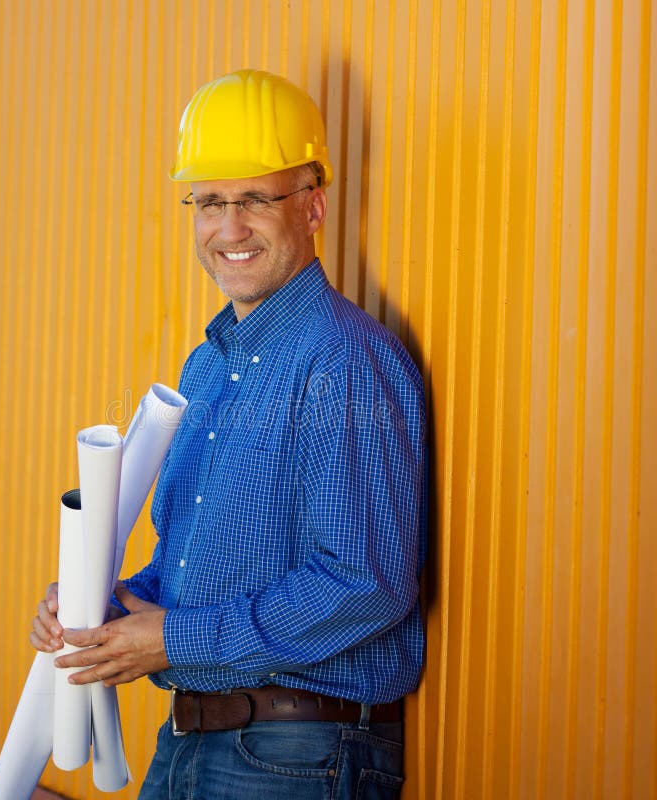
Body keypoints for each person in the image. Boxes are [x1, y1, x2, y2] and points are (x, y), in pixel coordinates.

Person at [31, 69, 427, 800]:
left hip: (296, 755)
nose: (230, 228)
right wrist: (103, 610)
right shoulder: (209, 368)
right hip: (189, 741)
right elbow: (189, 574)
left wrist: (174, 640)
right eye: (210, 202)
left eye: (255, 200)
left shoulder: (343, 361)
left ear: (314, 204)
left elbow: (365, 583)